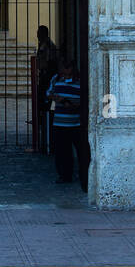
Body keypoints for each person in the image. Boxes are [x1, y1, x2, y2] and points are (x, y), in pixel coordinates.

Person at [47, 56, 88, 190]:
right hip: (60, 122)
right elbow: (49, 93)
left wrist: (75, 105)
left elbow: (85, 98)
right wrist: (60, 99)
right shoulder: (56, 79)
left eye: (68, 67)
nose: (65, 70)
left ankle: (85, 176)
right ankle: (65, 175)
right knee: (62, 152)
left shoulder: (80, 81)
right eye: (63, 67)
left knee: (81, 151)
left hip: (76, 123)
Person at [35, 25, 59, 151]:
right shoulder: (44, 44)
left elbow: (50, 63)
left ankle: (45, 125)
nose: (37, 34)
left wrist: (46, 76)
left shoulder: (48, 46)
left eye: (38, 32)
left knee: (45, 103)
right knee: (42, 102)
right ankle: (42, 123)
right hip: (44, 76)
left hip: (47, 77)